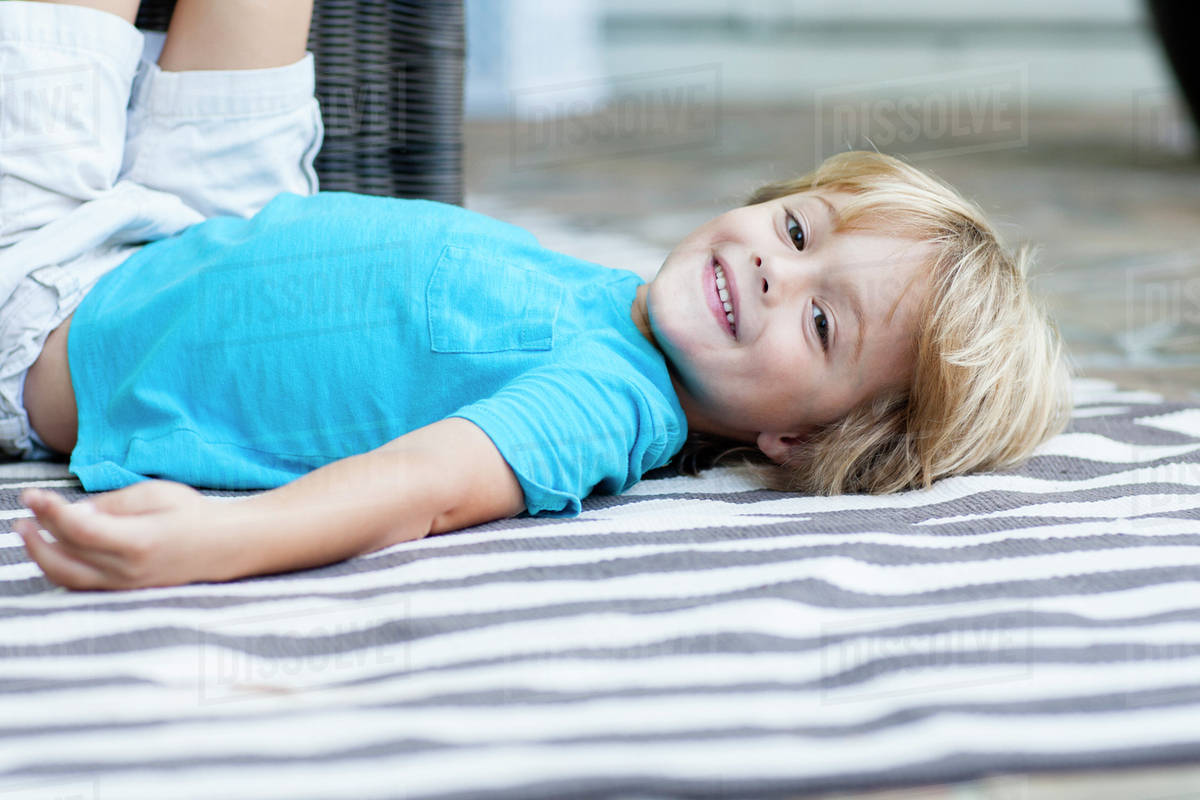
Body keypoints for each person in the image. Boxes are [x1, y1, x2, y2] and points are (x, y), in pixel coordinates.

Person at [7, 0, 1072, 591]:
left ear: (800, 441)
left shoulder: (611, 404)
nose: (771, 268)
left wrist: (212, 541)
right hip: (218, 216)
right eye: (798, 231)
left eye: (822, 319)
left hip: (47, 311)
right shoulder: (627, 305)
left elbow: (422, 484)